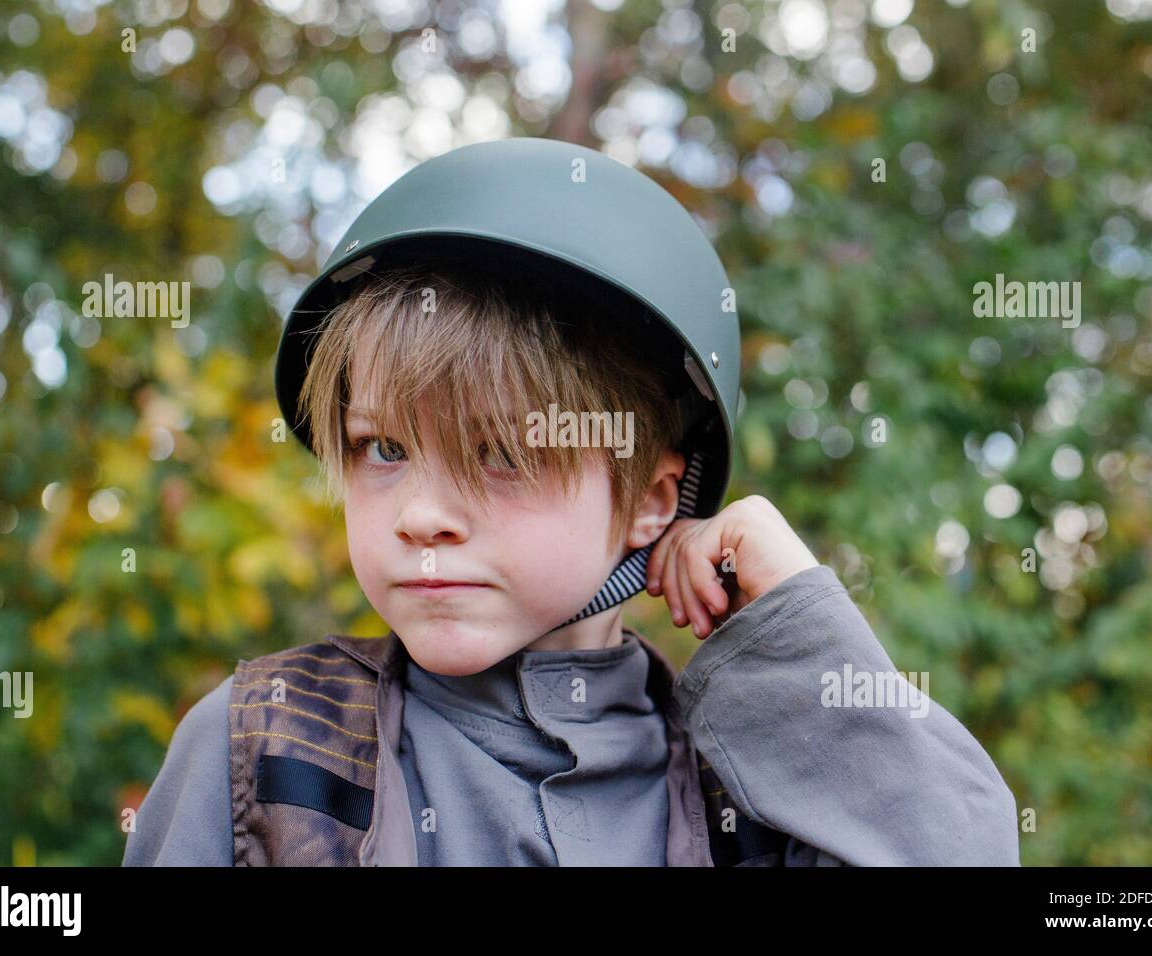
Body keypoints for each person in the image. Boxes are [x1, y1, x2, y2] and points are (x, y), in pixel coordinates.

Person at [123, 137, 1019, 866]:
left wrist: (798, 630)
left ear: (652, 499)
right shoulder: (269, 749)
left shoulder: (753, 786)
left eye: (502, 452)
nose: (419, 516)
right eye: (382, 448)